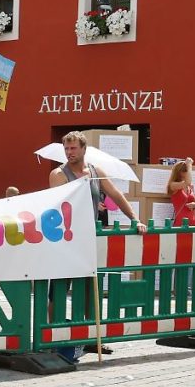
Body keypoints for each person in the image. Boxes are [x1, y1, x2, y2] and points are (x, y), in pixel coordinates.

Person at [48, 130, 146, 359]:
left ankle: (91, 338)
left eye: (73, 148)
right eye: (66, 149)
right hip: (67, 239)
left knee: (90, 290)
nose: (69, 153)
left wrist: (135, 218)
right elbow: (57, 203)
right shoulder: (58, 174)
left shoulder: (95, 171)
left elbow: (117, 195)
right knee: (58, 289)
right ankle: (52, 336)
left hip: (90, 239)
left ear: (83, 149)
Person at [167, 157, 195, 226]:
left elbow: (194, 202)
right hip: (180, 223)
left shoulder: (190, 186)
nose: (188, 172)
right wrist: (189, 165)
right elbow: (187, 182)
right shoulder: (173, 185)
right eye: (185, 170)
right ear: (179, 172)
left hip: (193, 222)